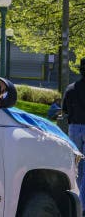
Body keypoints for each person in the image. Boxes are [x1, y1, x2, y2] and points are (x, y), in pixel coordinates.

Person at [62, 58, 85, 209]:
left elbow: (64, 110)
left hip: (74, 127)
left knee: (76, 166)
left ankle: (77, 199)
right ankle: (82, 202)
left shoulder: (71, 88)